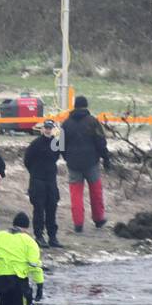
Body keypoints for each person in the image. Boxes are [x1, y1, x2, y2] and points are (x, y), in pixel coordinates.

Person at [60, 95, 110, 232]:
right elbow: (101, 142)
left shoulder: (66, 123)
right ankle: (98, 219)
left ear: (74, 106)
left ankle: (78, 223)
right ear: (86, 106)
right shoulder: (93, 122)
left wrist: (67, 158)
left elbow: (60, 145)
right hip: (91, 162)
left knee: (76, 194)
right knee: (96, 191)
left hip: (73, 163)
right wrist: (106, 158)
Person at [0, 212, 45, 305]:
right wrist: (39, 285)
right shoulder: (29, 241)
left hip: (1, 281)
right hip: (18, 282)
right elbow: (35, 266)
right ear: (26, 228)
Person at [23, 118, 64, 248]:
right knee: (39, 209)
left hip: (51, 181)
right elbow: (27, 160)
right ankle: (39, 236)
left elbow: (59, 154)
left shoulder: (56, 143)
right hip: (38, 181)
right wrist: (35, 173)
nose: (47, 130)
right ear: (42, 129)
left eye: (50, 128)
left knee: (52, 208)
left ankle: (52, 237)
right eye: (46, 127)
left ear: (53, 129)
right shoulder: (35, 144)